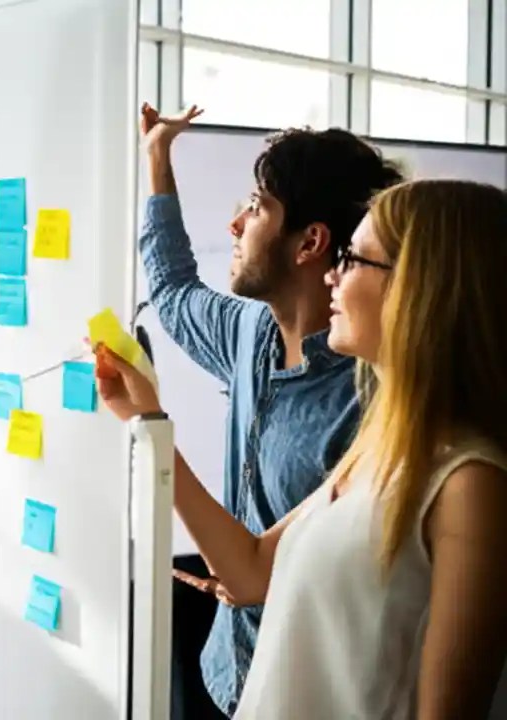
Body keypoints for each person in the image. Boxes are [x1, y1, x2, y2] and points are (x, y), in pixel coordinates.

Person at [99, 178, 507, 718]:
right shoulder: (381, 446)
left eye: (355, 260)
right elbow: (248, 572)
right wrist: (149, 422)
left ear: (423, 288)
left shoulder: (469, 483)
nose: (333, 275)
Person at [138, 103, 405, 716]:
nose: (235, 224)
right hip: (224, 671)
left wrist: (148, 424)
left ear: (310, 242)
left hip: (304, 692)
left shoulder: (376, 404)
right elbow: (174, 290)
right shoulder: (248, 330)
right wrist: (158, 161)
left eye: (256, 207)